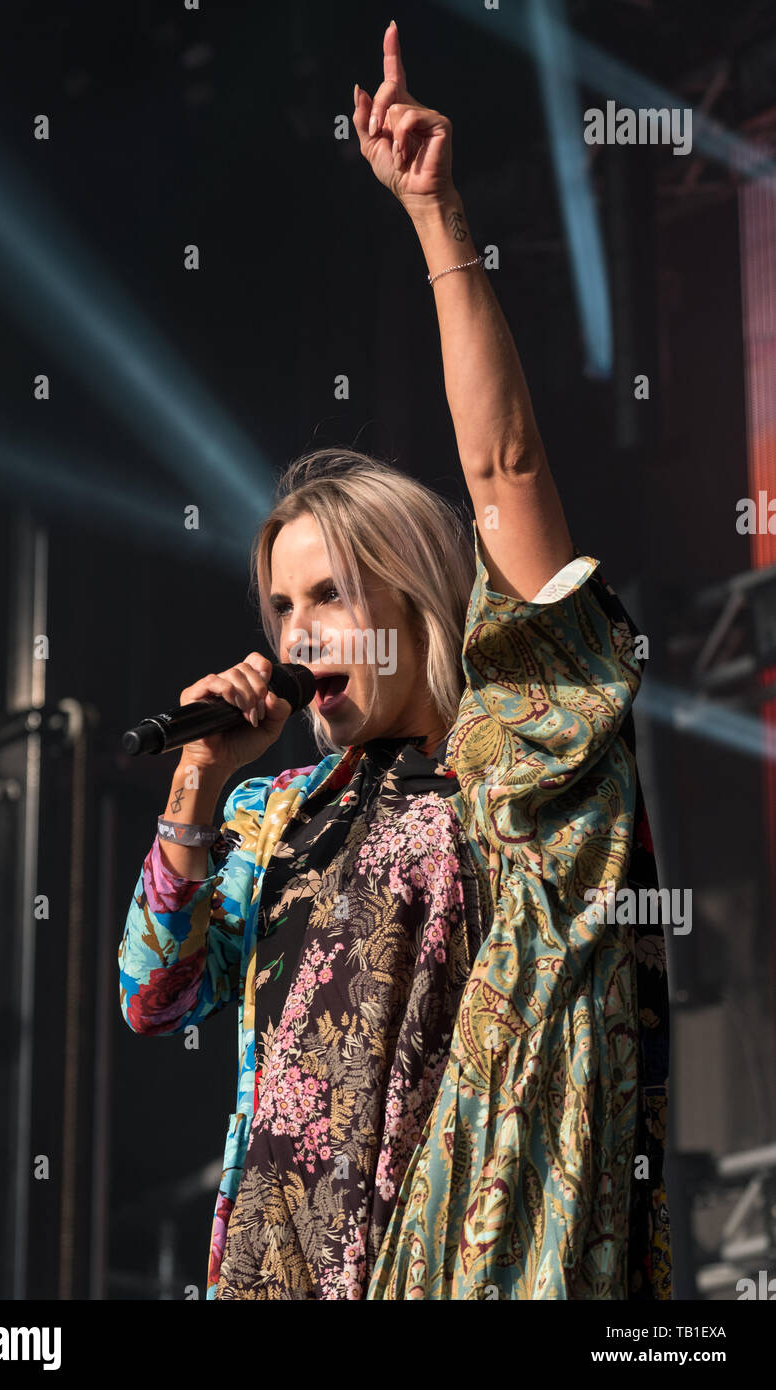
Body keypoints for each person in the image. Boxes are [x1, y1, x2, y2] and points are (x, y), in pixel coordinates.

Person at [117, 19, 671, 1300]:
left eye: (328, 591)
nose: (297, 628)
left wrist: (433, 215)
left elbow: (506, 472)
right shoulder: (271, 815)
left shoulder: (510, 764)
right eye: (279, 602)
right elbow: (154, 997)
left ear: (411, 593)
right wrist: (198, 784)